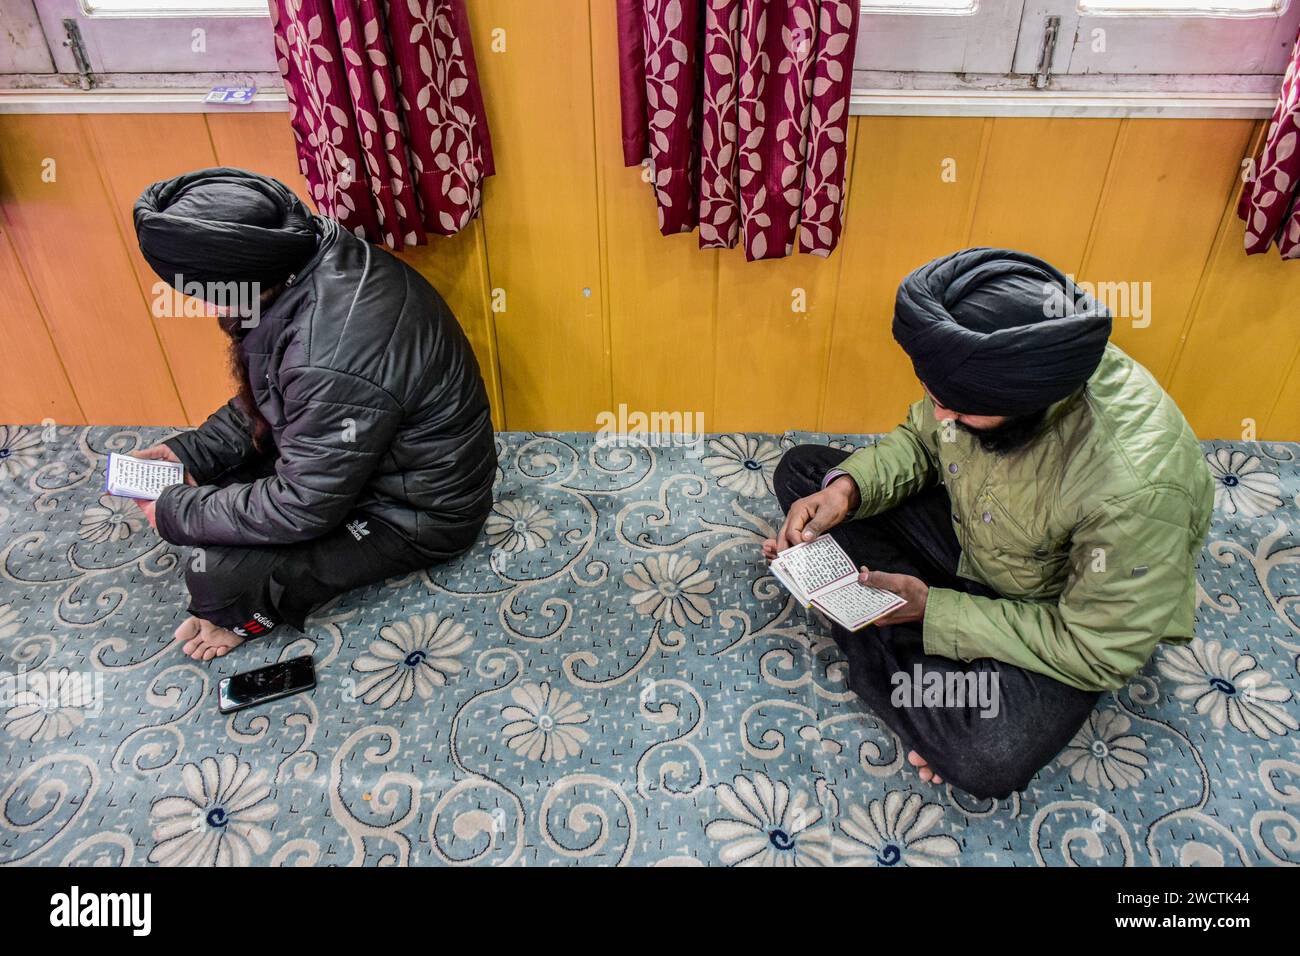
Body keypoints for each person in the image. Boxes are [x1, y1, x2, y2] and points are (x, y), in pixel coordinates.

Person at [764, 247, 1213, 800]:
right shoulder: (994, 373)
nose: (942, 413)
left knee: (987, 757)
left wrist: (936, 608)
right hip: (974, 538)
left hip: (1052, 615)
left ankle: (895, 639)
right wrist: (847, 492)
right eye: (937, 397)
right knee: (804, 473)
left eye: (958, 406)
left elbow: (1097, 648)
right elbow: (925, 443)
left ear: (1024, 402)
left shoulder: (1137, 486)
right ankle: (923, 678)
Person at [131, 168, 496, 661]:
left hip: (415, 513)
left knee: (215, 575)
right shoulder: (310, 252)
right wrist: (190, 452)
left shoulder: (326, 347)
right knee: (209, 485)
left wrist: (176, 511)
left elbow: (302, 505)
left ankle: (244, 618)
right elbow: (280, 398)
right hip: (369, 457)